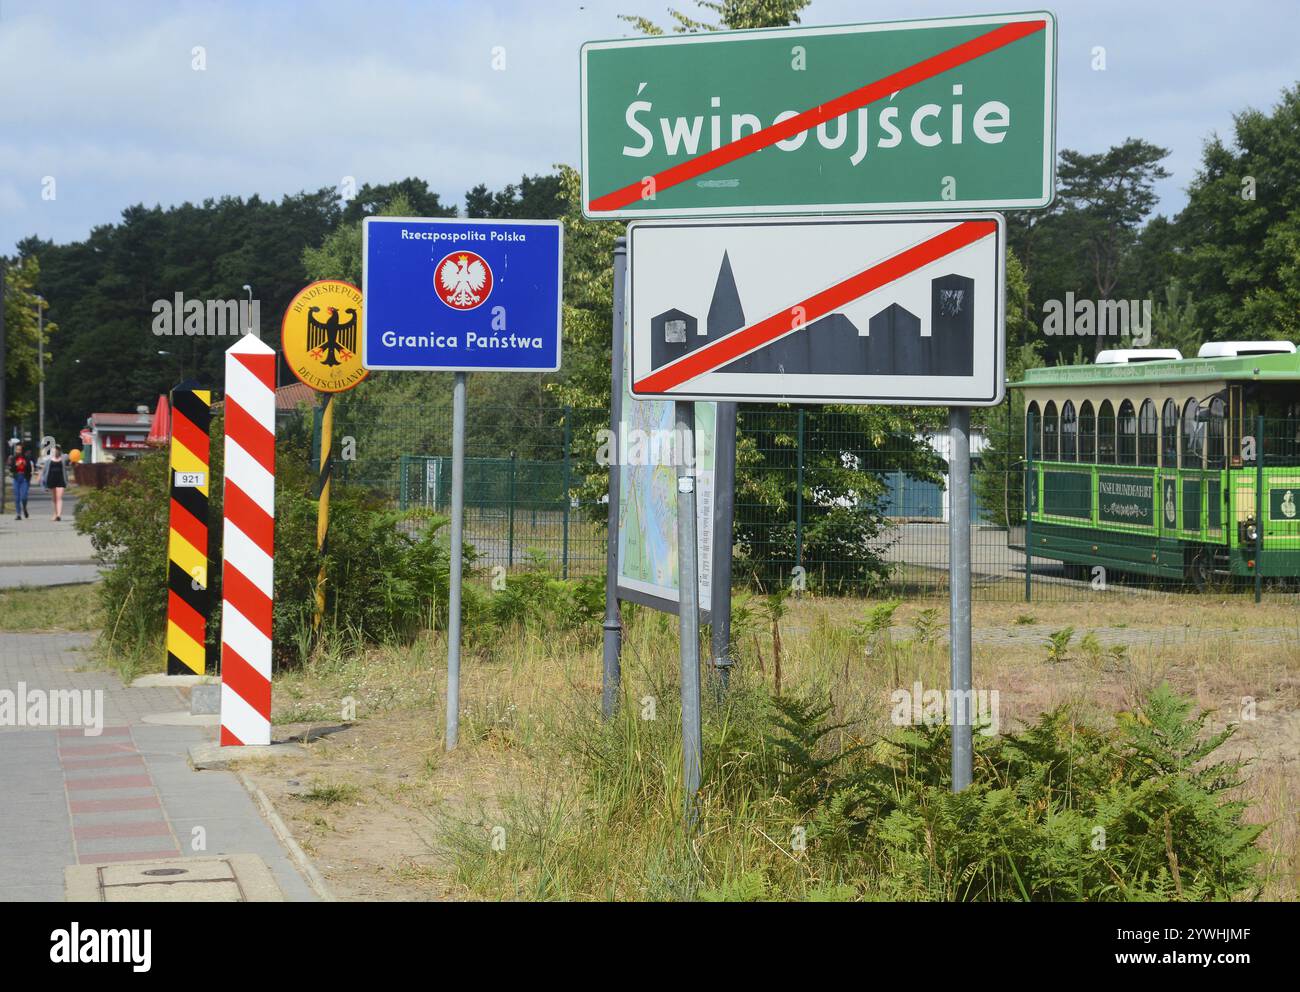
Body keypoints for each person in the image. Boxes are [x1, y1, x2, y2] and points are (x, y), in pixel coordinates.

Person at [6, 442, 32, 520]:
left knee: (24, 497)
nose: (18, 451)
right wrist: (16, 465)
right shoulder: (13, 458)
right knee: (17, 497)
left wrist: (25, 465)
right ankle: (18, 514)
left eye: (19, 449)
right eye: (17, 449)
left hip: (24, 478)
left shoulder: (26, 458)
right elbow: (11, 469)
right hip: (16, 478)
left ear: (22, 450)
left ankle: (24, 507)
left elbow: (30, 470)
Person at [43, 445, 68, 520]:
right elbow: (45, 471)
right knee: (54, 498)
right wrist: (44, 481)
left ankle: (59, 515)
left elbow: (68, 456)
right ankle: (55, 513)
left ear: (59, 451)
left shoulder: (63, 459)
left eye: (56, 450)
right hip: (51, 480)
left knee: (59, 497)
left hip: (61, 480)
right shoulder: (48, 461)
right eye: (53, 451)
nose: (55, 452)